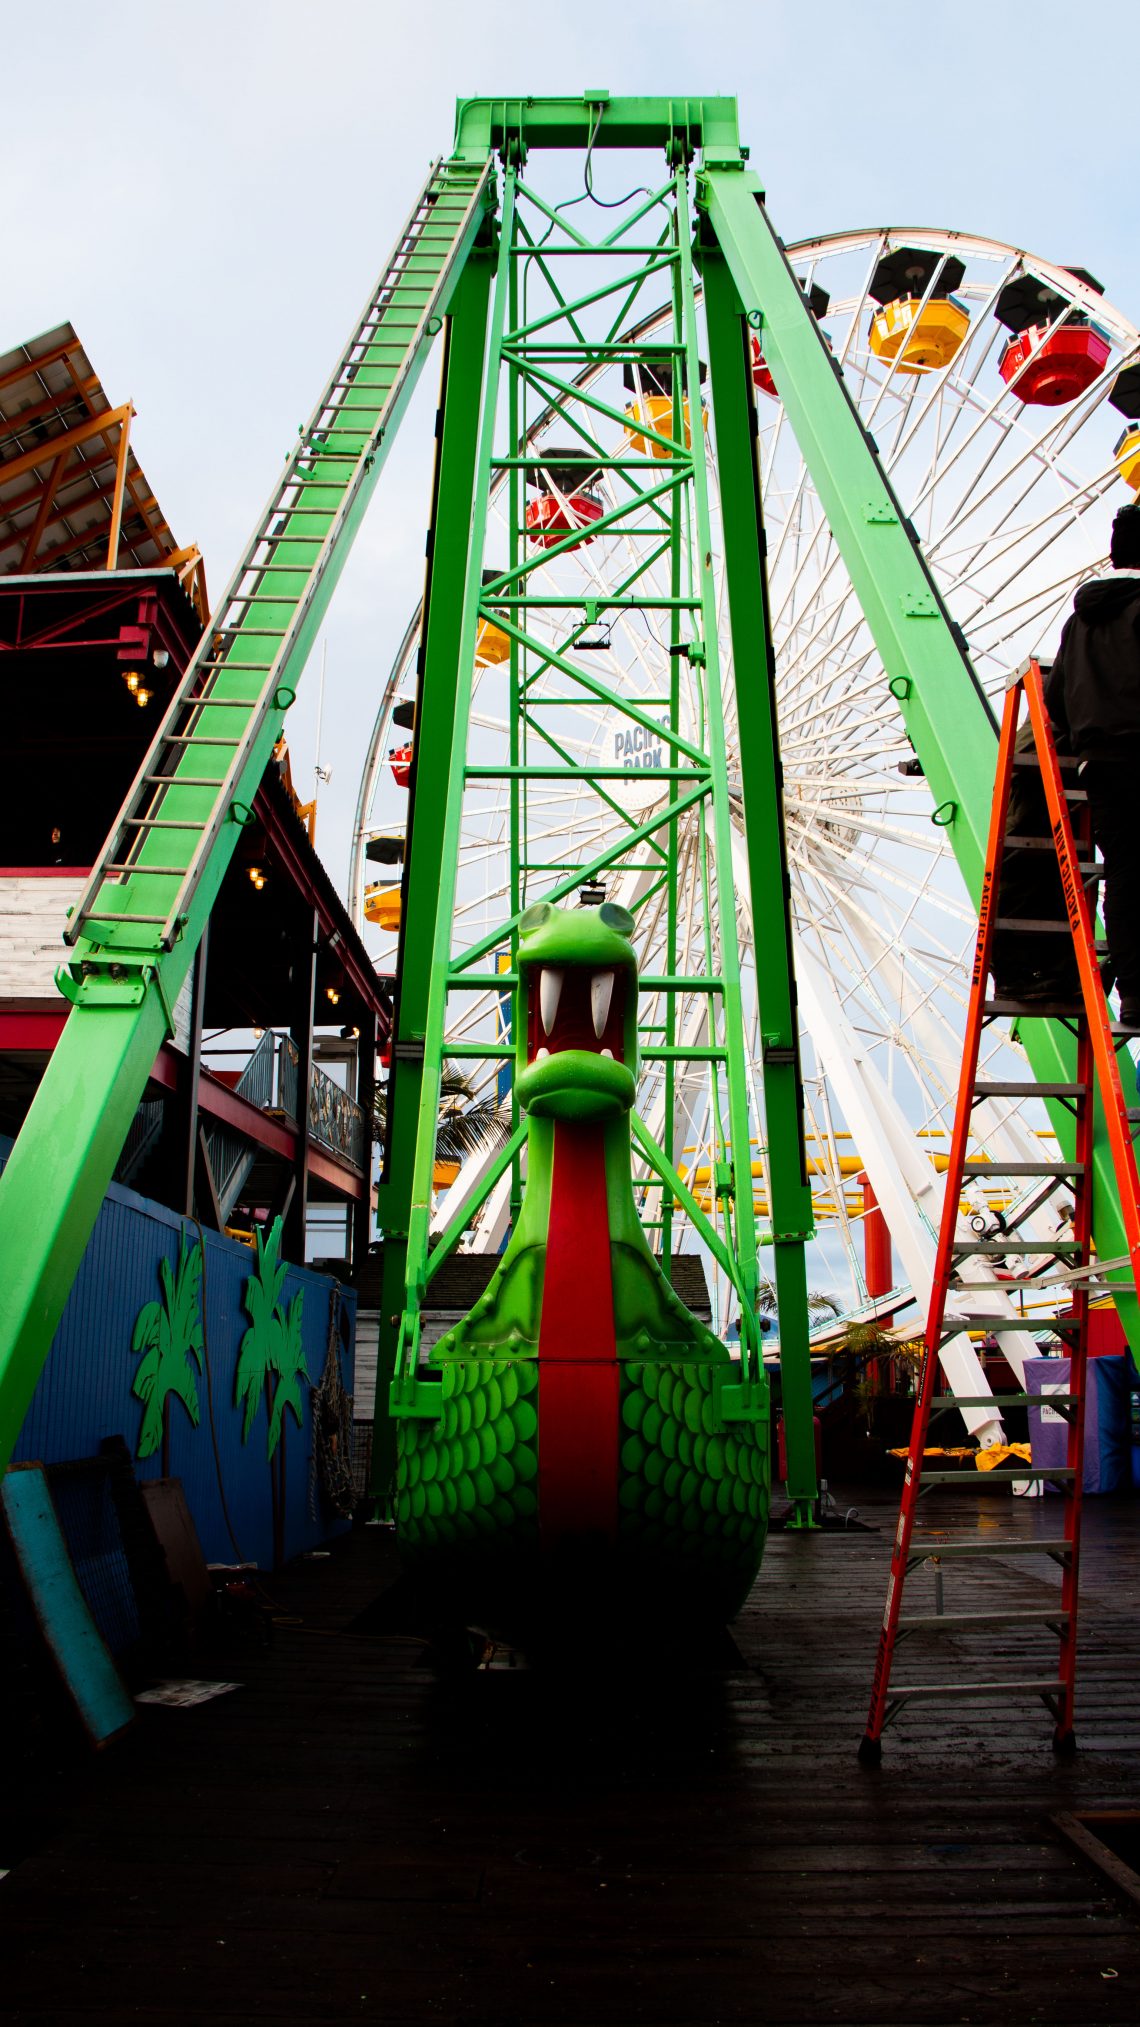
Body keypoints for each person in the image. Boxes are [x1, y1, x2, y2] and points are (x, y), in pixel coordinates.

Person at [1045, 501, 1140, 1026]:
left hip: (1099, 767)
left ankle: (1133, 992)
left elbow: (1057, 701)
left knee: (1125, 877)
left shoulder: (1079, 624)